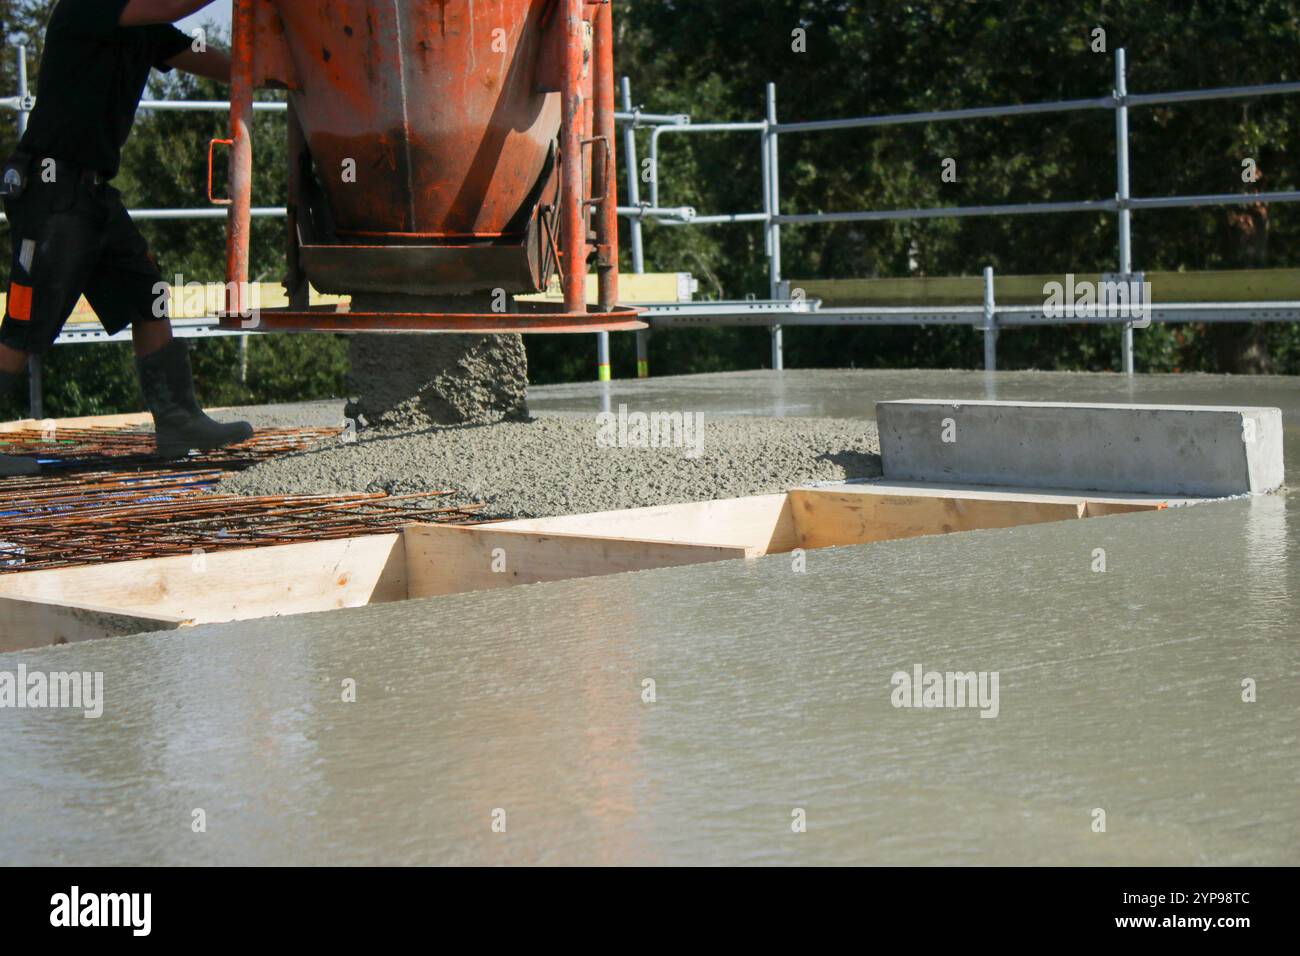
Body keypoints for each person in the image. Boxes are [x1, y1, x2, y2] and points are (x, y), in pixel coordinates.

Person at [0, 0, 252, 476]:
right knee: (26, 323)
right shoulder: (87, 5)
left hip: (92, 193)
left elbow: (214, 61)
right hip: (52, 188)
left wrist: (280, 75)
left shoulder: (146, 26)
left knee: (147, 294)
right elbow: (174, 5)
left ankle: (178, 420)